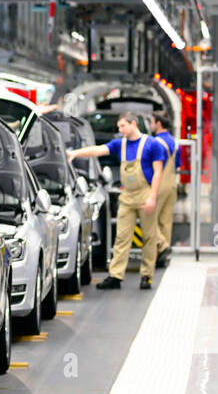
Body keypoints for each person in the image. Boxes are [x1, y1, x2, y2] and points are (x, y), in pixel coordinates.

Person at [68, 112, 167, 290]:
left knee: (149, 237)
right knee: (121, 237)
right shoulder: (119, 144)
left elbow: (158, 172)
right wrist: (75, 154)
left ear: (133, 123)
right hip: (127, 197)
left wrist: (152, 197)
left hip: (146, 195)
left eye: (123, 126)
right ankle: (115, 275)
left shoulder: (152, 145)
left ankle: (147, 275)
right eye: (119, 126)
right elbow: (98, 150)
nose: (120, 130)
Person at [149, 114, 180, 269]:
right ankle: (162, 257)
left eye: (152, 122)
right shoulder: (174, 141)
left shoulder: (156, 142)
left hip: (159, 184)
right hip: (172, 183)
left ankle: (162, 246)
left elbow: (153, 167)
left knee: (150, 218)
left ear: (159, 123)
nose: (150, 125)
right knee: (165, 221)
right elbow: (178, 164)